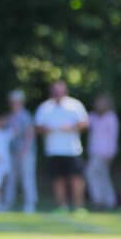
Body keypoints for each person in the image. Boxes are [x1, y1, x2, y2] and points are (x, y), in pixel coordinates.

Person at [34, 79, 89, 212]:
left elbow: (85, 123)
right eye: (55, 91)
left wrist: (71, 127)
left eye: (59, 90)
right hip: (53, 150)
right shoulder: (45, 107)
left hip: (72, 150)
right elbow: (37, 127)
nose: (57, 93)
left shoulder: (75, 105)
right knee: (58, 179)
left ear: (65, 91)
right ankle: (62, 206)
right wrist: (46, 130)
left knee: (76, 179)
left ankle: (78, 207)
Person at [3, 89, 38, 213]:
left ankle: (30, 203)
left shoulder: (25, 115)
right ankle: (8, 202)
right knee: (10, 178)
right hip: (12, 152)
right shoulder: (10, 116)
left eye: (16, 101)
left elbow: (30, 133)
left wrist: (25, 149)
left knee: (27, 177)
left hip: (25, 152)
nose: (13, 104)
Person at [85, 93, 119, 209]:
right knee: (101, 176)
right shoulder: (92, 117)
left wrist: (111, 153)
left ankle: (100, 200)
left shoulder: (111, 117)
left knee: (92, 173)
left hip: (105, 153)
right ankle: (107, 201)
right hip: (94, 152)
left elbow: (113, 136)